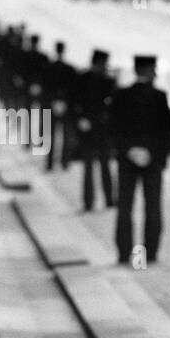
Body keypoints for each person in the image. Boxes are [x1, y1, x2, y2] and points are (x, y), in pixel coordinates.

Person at [111, 55, 170, 266]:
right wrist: (153, 155)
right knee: (152, 207)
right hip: (152, 159)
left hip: (127, 159)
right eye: (153, 69)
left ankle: (124, 252)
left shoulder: (121, 95)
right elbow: (165, 132)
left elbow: (115, 127)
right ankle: (149, 253)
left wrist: (128, 150)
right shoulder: (159, 96)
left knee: (125, 206)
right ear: (147, 71)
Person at [73, 49, 116, 211]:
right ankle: (88, 201)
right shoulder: (83, 79)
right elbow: (75, 101)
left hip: (103, 130)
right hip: (87, 129)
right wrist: (80, 119)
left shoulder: (109, 81)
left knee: (105, 166)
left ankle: (109, 198)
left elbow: (113, 107)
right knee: (89, 167)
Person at [44, 41, 76, 171]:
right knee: (65, 136)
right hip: (64, 106)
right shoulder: (69, 69)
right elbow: (73, 90)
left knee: (51, 135)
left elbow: (44, 87)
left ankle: (50, 163)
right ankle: (64, 162)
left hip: (52, 104)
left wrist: (52, 101)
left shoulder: (48, 67)